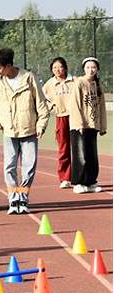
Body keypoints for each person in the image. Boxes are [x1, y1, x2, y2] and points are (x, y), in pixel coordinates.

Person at [0, 48, 50, 214]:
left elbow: (41, 104)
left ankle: (23, 198)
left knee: (29, 167)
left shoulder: (29, 78)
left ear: (8, 66)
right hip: (9, 132)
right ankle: (13, 199)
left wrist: (41, 125)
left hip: (29, 130)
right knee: (9, 167)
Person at [69, 57, 107, 194]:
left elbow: (101, 107)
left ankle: (91, 182)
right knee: (81, 155)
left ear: (97, 69)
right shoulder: (79, 83)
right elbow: (75, 105)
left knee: (92, 155)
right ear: (84, 69)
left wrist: (102, 126)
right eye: (88, 67)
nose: (91, 70)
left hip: (93, 125)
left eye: (93, 67)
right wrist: (79, 123)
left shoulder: (97, 85)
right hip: (80, 126)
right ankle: (79, 182)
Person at [42, 57, 75, 189]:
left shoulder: (75, 81)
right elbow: (42, 98)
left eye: (60, 67)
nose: (57, 70)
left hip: (76, 117)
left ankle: (79, 177)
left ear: (65, 68)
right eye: (54, 68)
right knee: (64, 148)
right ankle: (65, 178)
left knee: (79, 149)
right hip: (61, 117)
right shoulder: (49, 84)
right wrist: (51, 106)